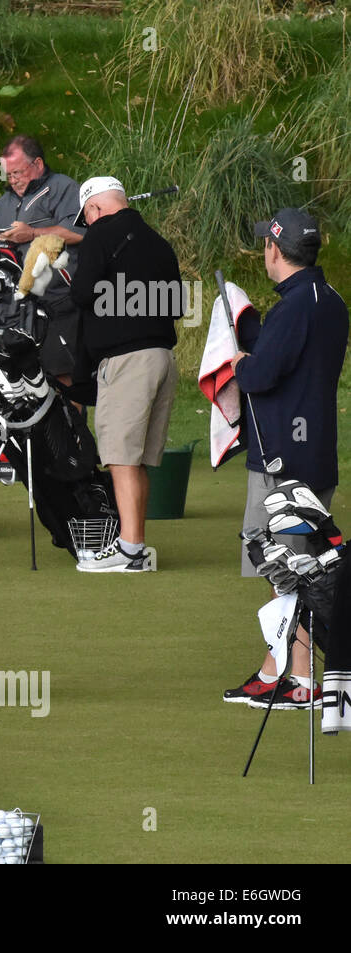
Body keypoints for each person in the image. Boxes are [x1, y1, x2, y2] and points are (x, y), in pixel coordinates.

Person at [222, 208, 348, 709]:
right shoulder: (328, 299)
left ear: (275, 250)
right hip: (311, 450)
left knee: (286, 567)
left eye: (265, 246)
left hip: (282, 458)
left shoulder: (296, 306)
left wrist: (242, 363)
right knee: (299, 565)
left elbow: (260, 377)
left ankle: (299, 679)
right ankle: (283, 671)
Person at [68, 176, 182, 572]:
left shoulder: (99, 235)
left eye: (87, 216)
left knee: (119, 457)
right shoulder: (160, 242)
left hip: (126, 360)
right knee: (135, 461)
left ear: (95, 209)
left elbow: (81, 294)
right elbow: (176, 302)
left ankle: (130, 550)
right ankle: (135, 545)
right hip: (163, 357)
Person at [0, 135, 87, 382]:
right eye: (8, 175)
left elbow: (79, 232)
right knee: (24, 379)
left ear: (38, 164)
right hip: (15, 308)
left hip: (58, 301)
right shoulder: (3, 203)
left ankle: (73, 420)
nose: (13, 181)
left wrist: (31, 233)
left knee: (64, 377)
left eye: (18, 173)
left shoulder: (63, 188)